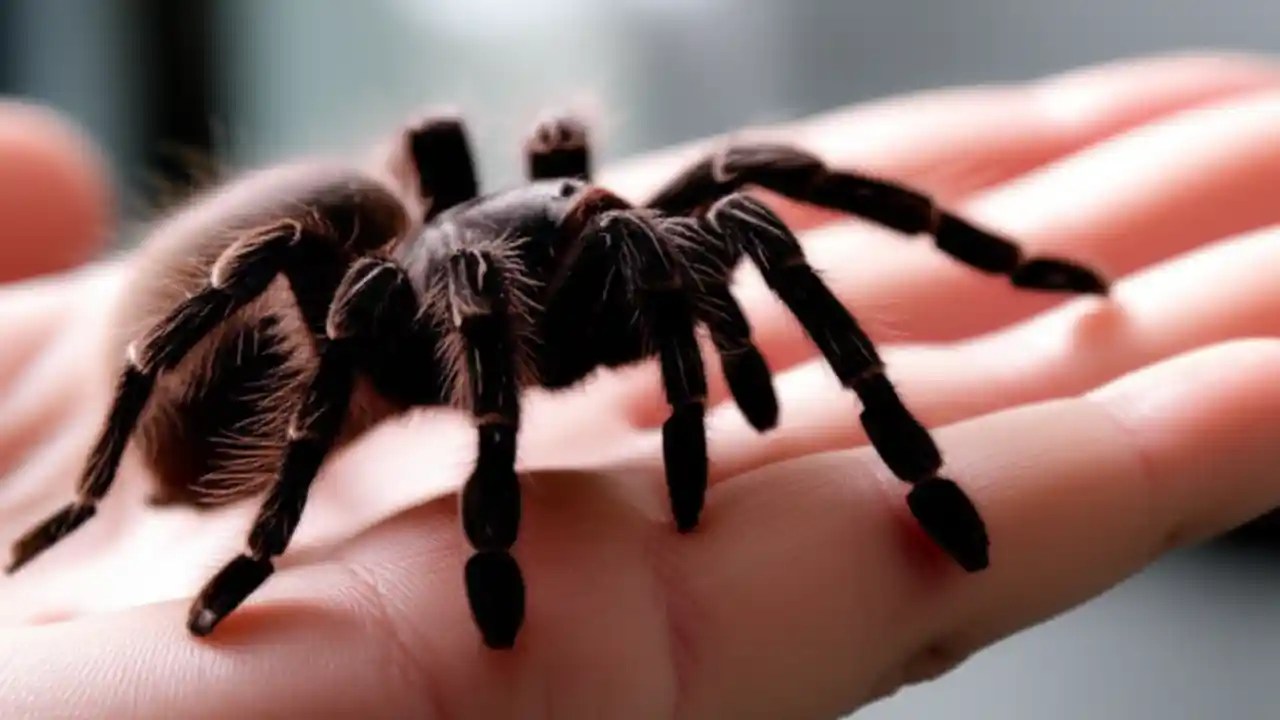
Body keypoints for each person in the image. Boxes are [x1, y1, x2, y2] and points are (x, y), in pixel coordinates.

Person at [2, 51, 1280, 719]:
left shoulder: (631, 232)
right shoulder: (421, 289)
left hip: (422, 306)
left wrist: (987, 265)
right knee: (341, 249)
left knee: (748, 195)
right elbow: (444, 288)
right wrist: (176, 517)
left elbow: (695, 230)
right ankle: (203, 523)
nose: (635, 230)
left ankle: (942, 396)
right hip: (233, 398)